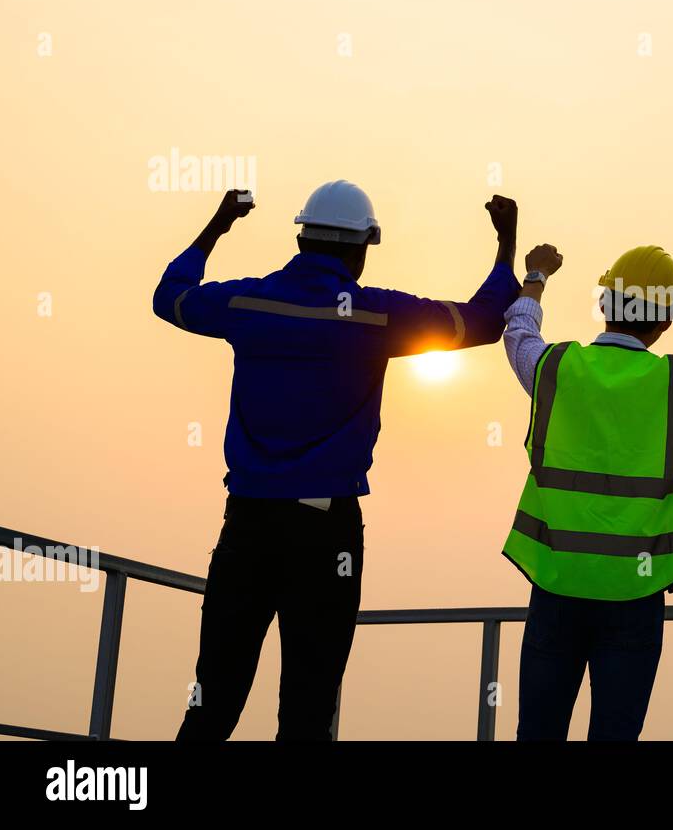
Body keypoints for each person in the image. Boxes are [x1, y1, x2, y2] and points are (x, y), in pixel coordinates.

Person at [153, 181, 521, 740]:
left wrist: (218, 226)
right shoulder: (374, 316)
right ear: (363, 247)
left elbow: (171, 296)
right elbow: (485, 321)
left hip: (248, 525)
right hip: (326, 536)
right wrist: (505, 247)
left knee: (212, 701)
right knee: (308, 706)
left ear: (302, 238)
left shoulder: (249, 302)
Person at [500, 234, 673, 740]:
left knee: (537, 730)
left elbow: (519, 331)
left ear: (604, 304)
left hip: (556, 585)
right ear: (667, 322)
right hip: (636, 596)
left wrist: (537, 277)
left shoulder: (555, 369)